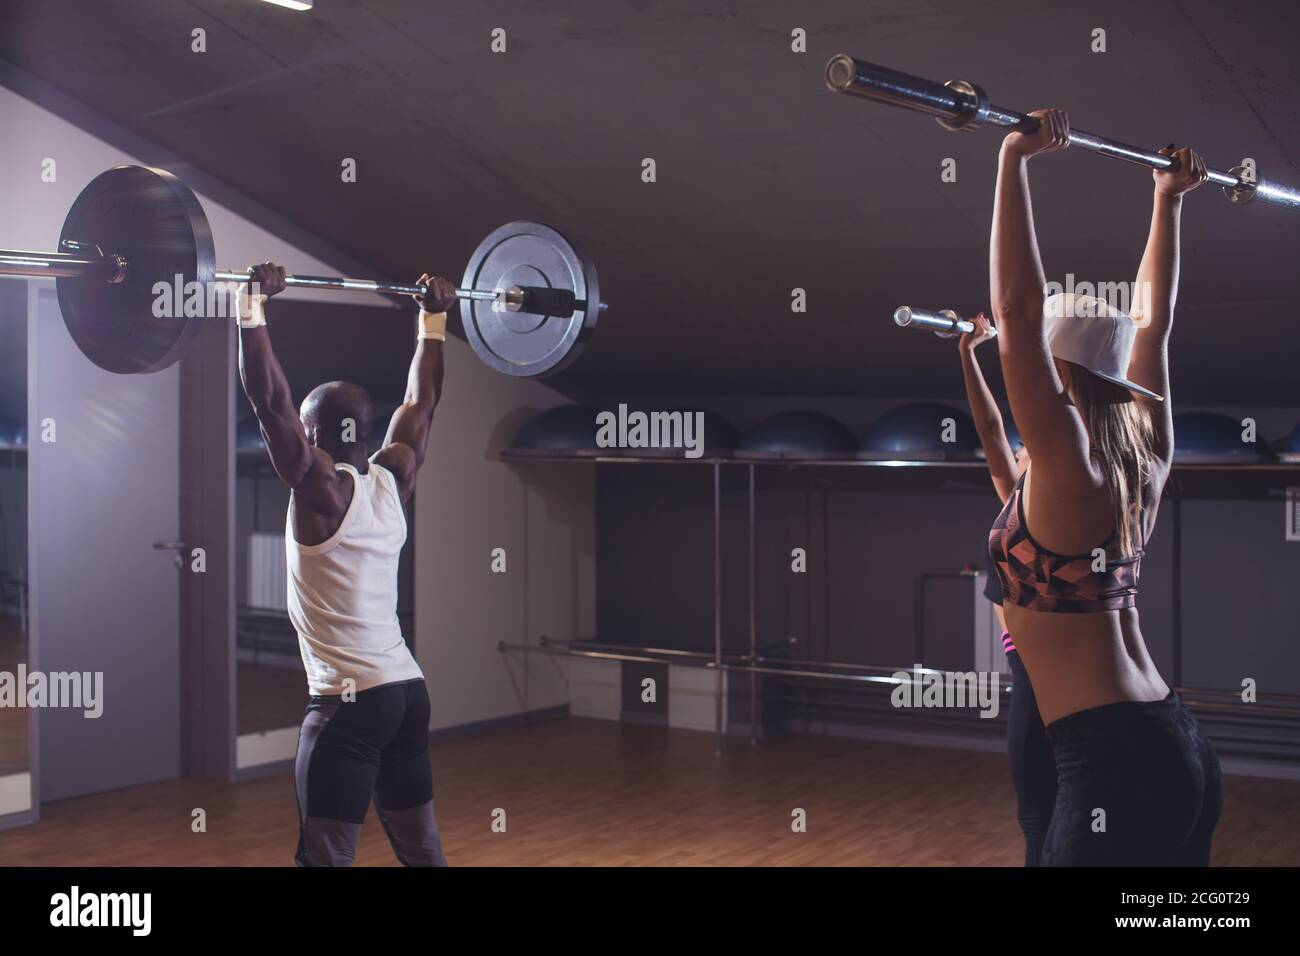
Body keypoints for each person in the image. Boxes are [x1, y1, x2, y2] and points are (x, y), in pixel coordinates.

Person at [987, 112, 1222, 866]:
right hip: (1174, 743)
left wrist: (1011, 159)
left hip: (1111, 763)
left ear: (1055, 376)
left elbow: (1018, 314)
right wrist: (1167, 200)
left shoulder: (1069, 468)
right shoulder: (1143, 452)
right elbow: (1155, 325)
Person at [235, 262, 455, 866]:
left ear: (311, 434)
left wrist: (251, 306)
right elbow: (421, 400)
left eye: (302, 434)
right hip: (407, 694)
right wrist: (431, 317)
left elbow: (269, 401)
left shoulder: (320, 491)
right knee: (422, 851)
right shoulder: (394, 475)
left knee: (324, 857)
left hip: (350, 703)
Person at [958, 314, 1056, 866]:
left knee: (1051, 817)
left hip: (1052, 680)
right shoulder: (1013, 499)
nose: (1018, 449)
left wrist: (1013, 342)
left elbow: (1015, 424)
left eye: (1029, 448)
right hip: (1028, 677)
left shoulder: (1060, 508)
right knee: (1037, 818)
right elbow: (990, 429)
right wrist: (969, 354)